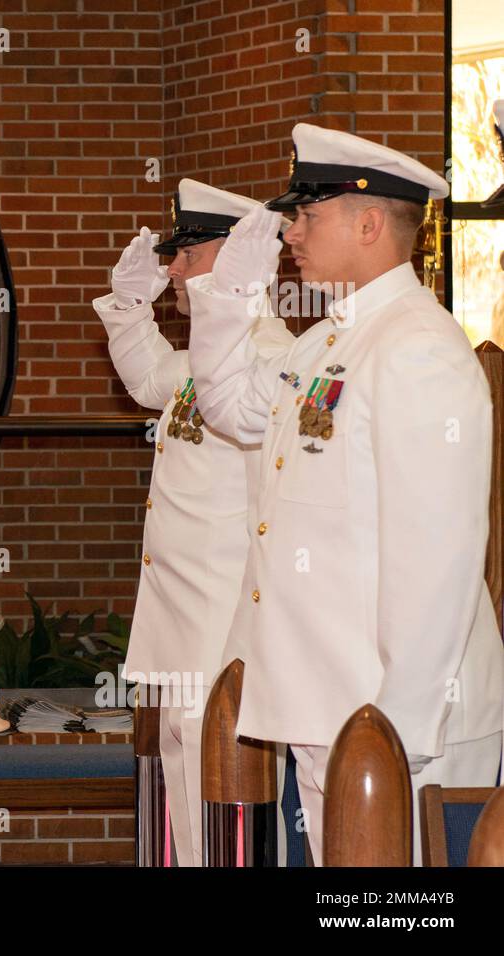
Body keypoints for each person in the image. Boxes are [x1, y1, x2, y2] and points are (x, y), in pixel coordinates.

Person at [186, 123, 504, 865]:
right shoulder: (328, 340)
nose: (291, 231)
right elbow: (230, 406)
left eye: (307, 213)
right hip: (333, 699)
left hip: (397, 716)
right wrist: (230, 289)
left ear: (369, 224)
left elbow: (439, 558)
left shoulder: (417, 348)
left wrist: (397, 734)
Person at [93, 179, 294, 866]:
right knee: (183, 780)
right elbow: (151, 381)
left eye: (186, 255)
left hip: (224, 620)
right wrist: (127, 308)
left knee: (221, 795)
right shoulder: (205, 361)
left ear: (233, 257)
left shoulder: (266, 355)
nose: (172, 270)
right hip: (181, 618)